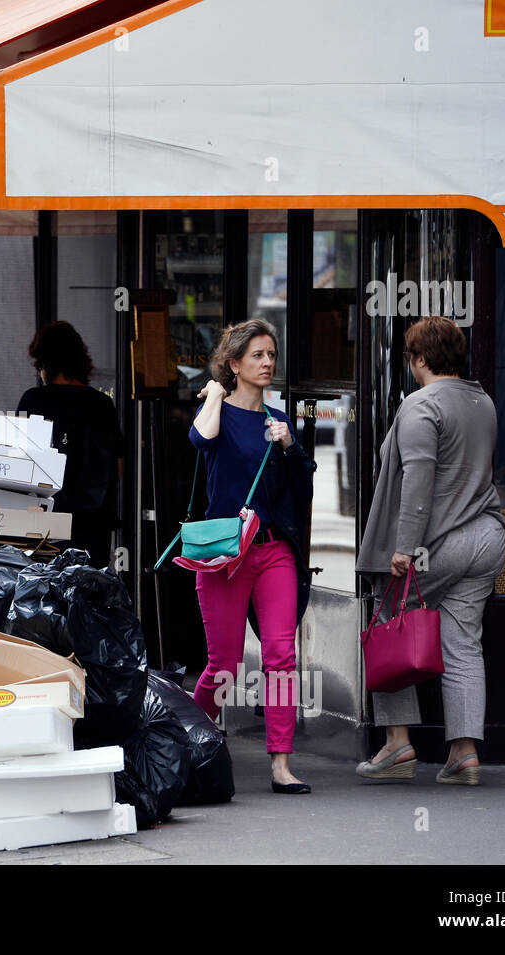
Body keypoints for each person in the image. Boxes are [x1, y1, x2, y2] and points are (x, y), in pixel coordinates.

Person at [354, 316, 505, 786]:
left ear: (419, 359)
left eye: (410, 357)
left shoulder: (421, 405)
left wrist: (404, 548)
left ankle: (397, 745)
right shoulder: (483, 401)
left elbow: (418, 479)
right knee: (462, 643)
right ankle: (464, 754)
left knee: (388, 624)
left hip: (438, 543)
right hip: (488, 535)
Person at [188, 319, 317, 794]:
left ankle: (281, 763)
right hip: (224, 555)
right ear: (234, 364)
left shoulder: (277, 420)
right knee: (223, 664)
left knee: (281, 654)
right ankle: (187, 738)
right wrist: (216, 396)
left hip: (273, 552)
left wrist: (288, 446)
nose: (267, 363)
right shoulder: (217, 410)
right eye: (258, 355)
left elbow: (302, 487)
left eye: (271, 355)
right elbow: (199, 441)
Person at [16, 321, 123, 568]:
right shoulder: (101, 404)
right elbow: (115, 469)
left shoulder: (34, 400)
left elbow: (19, 465)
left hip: (42, 520)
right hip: (92, 522)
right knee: (88, 592)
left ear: (44, 364)